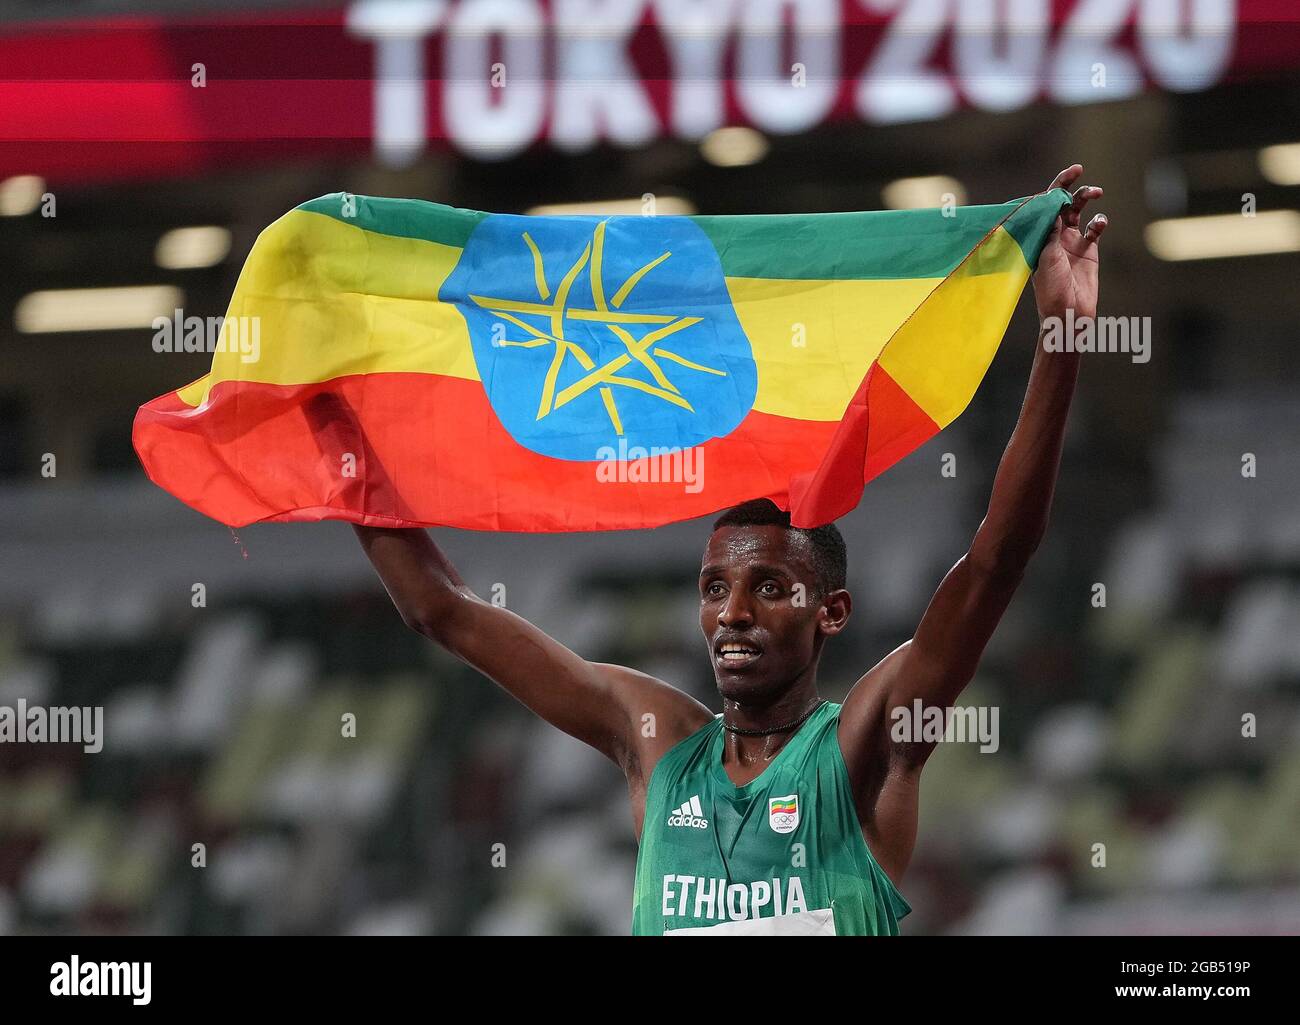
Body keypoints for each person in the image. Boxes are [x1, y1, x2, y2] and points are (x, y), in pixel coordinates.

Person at [346, 166, 1107, 935]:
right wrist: (341, 448)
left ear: (831, 610)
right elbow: (439, 607)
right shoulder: (655, 741)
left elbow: (994, 563)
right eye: (714, 588)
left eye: (769, 587)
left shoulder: (861, 748)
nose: (732, 613)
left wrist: (1062, 339)